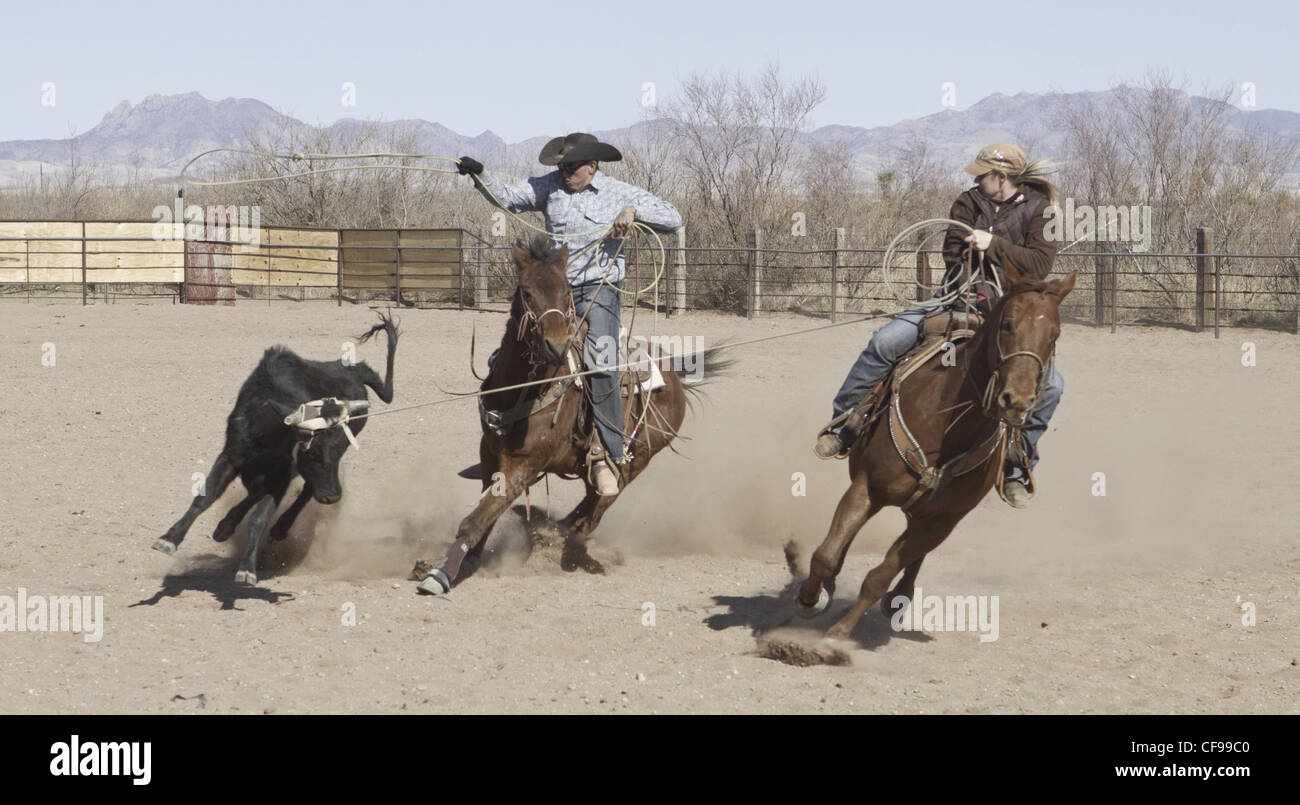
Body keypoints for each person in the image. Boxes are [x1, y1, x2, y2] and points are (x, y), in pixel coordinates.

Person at [814, 143, 1064, 509]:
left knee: (1053, 387)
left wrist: (992, 243)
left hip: (1009, 314)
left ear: (1002, 177)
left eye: (982, 174)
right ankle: (845, 422)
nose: (976, 179)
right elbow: (951, 253)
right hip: (956, 299)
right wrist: (969, 280)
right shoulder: (967, 203)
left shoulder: (1042, 212)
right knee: (885, 341)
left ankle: (1016, 465)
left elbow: (1039, 266)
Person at [456, 133, 683, 496]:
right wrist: (479, 174)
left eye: (571, 166)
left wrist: (633, 213)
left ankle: (607, 454)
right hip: (554, 291)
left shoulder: (619, 193)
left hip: (598, 290)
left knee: (601, 360)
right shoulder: (551, 187)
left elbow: (673, 217)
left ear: (592, 166)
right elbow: (511, 198)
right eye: (561, 166)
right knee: (507, 356)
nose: (564, 172)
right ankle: (499, 447)